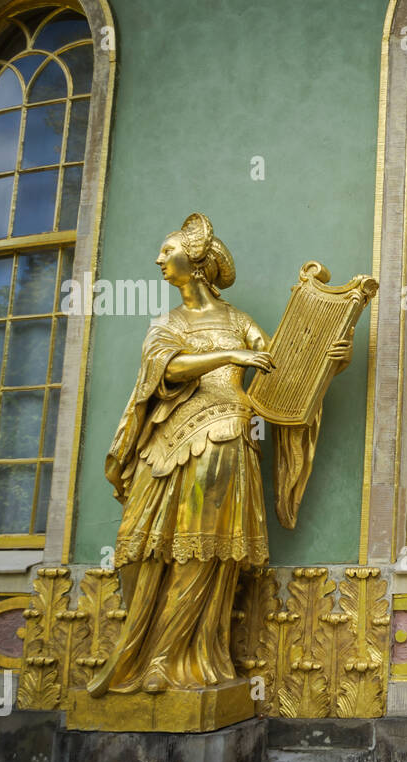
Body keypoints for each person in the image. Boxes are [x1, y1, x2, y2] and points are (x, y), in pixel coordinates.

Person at [88, 213, 349, 696]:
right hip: (164, 446)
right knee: (143, 548)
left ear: (198, 263)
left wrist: (329, 362)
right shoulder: (167, 324)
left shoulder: (240, 322)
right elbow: (167, 368)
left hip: (226, 436)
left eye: (169, 252)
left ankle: (174, 662)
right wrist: (231, 357)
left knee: (202, 553)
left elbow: (284, 374)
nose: (159, 259)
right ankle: (136, 654)